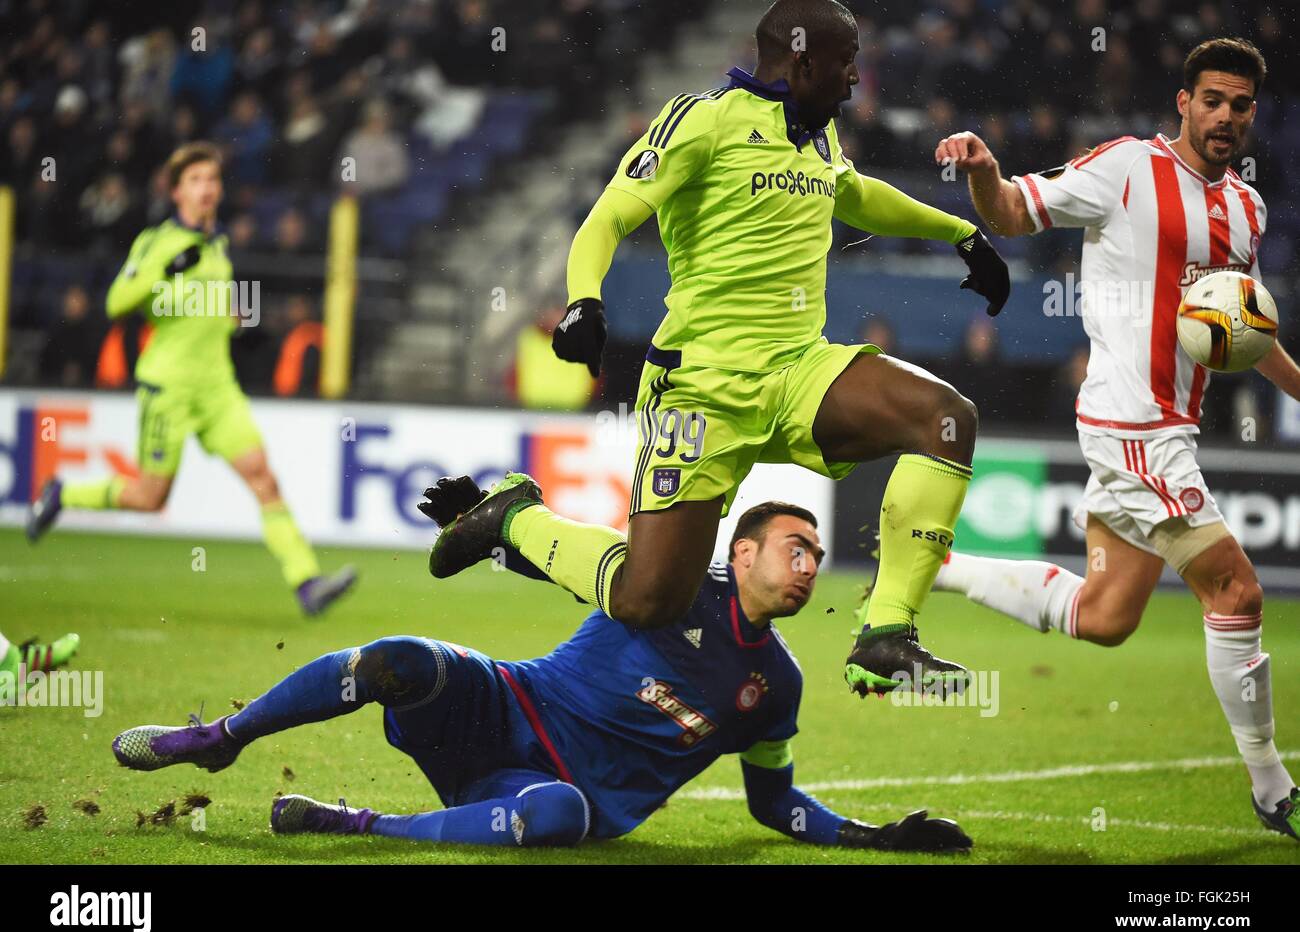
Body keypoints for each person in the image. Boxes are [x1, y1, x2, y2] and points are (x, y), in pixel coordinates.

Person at [429, 0, 1011, 697]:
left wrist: (961, 234)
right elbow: (609, 214)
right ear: (801, 61)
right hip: (700, 391)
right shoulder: (702, 120)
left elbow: (854, 195)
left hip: (799, 369)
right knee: (649, 601)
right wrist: (585, 298)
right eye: (846, 60)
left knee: (946, 419)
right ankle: (514, 518)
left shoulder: (818, 138)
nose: (857, 77)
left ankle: (885, 634)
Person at [111, 493, 970, 853]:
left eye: (818, 553)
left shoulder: (774, 686)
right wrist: (496, 528)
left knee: (555, 815)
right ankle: (219, 738)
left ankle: (357, 824)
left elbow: (770, 802)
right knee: (398, 656)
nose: (813, 564)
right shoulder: (666, 582)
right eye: (796, 547)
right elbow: (564, 564)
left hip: (554, 788)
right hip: (508, 699)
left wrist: (874, 836)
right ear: (742, 553)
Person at [930, 37, 1298, 839]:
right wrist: (985, 169)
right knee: (1236, 591)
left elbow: (1246, 332)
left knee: (1104, 614)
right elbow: (1013, 213)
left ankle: (939, 566)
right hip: (1135, 426)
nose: (1227, 116)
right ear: (1184, 101)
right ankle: (1274, 788)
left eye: (1241, 105)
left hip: (1165, 430)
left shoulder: (1248, 208)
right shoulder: (1128, 168)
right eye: (1213, 100)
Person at [26, 142, 356, 617]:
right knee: (149, 495)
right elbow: (118, 303)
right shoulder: (157, 243)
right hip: (170, 387)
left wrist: (234, 319)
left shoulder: (218, 244)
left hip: (217, 387)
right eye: (195, 180)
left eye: (212, 179)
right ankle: (63, 493)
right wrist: (164, 271)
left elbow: (211, 309)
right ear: (176, 192)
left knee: (264, 478)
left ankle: (307, 583)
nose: (207, 188)